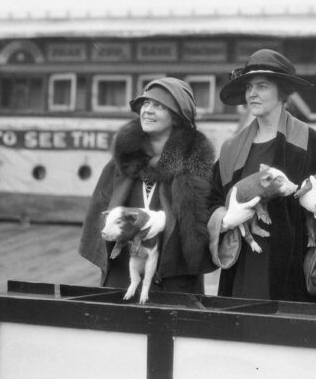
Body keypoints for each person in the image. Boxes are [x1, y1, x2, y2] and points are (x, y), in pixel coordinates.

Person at [207, 49, 316, 303]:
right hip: (244, 265)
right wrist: (225, 220)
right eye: (249, 87)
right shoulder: (231, 148)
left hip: (292, 269)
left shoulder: (307, 139)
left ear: (282, 92)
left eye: (262, 86)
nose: (252, 93)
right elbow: (210, 201)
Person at [79, 77, 215, 294]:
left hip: (174, 282)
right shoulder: (118, 165)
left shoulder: (196, 169)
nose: (148, 110)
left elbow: (206, 226)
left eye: (159, 106)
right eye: (146, 104)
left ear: (178, 118)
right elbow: (98, 217)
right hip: (124, 277)